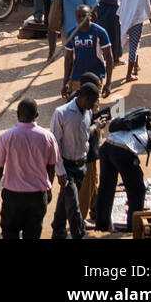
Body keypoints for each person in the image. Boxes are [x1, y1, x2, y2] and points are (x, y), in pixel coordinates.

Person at [0, 98, 59, 241]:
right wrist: (49, 189)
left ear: (18, 114)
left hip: (13, 197)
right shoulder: (48, 137)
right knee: (32, 234)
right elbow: (51, 168)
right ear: (37, 115)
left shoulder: (6, 137)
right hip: (37, 196)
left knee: (9, 232)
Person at [94, 112, 151, 232]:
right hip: (122, 151)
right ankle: (133, 228)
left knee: (106, 188)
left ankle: (101, 225)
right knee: (138, 190)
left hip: (106, 147)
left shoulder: (139, 128)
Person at [49, 82, 100, 240]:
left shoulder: (88, 113)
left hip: (81, 165)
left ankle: (58, 231)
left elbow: (84, 134)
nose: (93, 106)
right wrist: (60, 171)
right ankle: (80, 235)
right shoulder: (61, 113)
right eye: (92, 102)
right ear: (84, 98)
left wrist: (96, 126)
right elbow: (54, 144)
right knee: (74, 206)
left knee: (65, 200)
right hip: (67, 167)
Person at [62, 5, 113, 98]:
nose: (81, 18)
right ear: (75, 17)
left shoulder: (100, 32)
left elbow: (109, 57)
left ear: (90, 16)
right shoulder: (71, 33)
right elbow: (68, 59)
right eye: (78, 16)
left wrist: (108, 82)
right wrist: (65, 82)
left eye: (84, 15)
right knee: (78, 108)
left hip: (95, 77)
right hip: (77, 77)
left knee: (92, 107)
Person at [117, 0, 151, 82]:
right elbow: (147, 7)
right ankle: (129, 75)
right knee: (134, 46)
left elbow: (119, 2)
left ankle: (135, 66)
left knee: (133, 44)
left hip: (124, 20)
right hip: (136, 22)